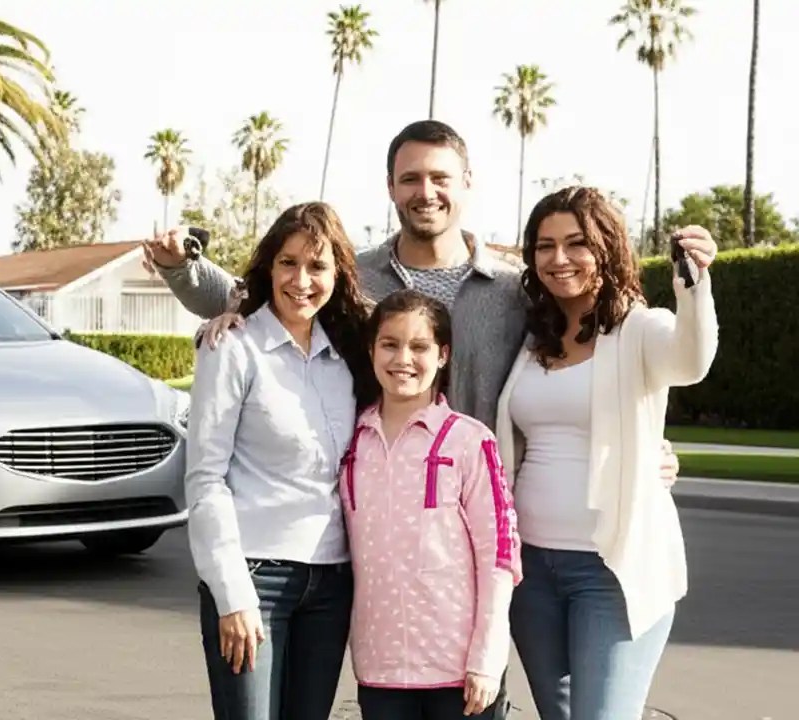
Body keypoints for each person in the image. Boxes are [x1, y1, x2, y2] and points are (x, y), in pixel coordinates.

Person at [149, 118, 677, 719]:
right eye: (410, 179)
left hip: (478, 543)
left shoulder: (514, 290)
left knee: (484, 700)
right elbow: (283, 291)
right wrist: (203, 285)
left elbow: (592, 343)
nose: (425, 191)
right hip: (380, 545)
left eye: (439, 177)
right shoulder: (357, 277)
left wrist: (646, 441)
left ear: (467, 183)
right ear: (391, 188)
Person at [495, 186, 718, 720]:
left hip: (610, 571)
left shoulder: (640, 328)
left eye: (576, 243)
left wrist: (695, 288)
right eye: (544, 246)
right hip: (531, 570)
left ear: (608, 249)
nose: (558, 258)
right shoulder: (532, 338)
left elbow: (690, 360)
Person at [185, 201, 373, 720]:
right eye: (288, 263)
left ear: (338, 274)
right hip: (255, 576)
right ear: (269, 267)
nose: (302, 280)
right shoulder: (232, 346)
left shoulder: (350, 353)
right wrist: (232, 593)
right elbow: (205, 478)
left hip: (332, 580)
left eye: (317, 266)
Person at [340, 289, 521, 720]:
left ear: (442, 355)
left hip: (460, 672)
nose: (403, 358)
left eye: (419, 346)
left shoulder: (469, 440)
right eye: (390, 344)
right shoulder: (351, 441)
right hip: (380, 669)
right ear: (371, 351)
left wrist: (487, 659)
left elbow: (498, 557)